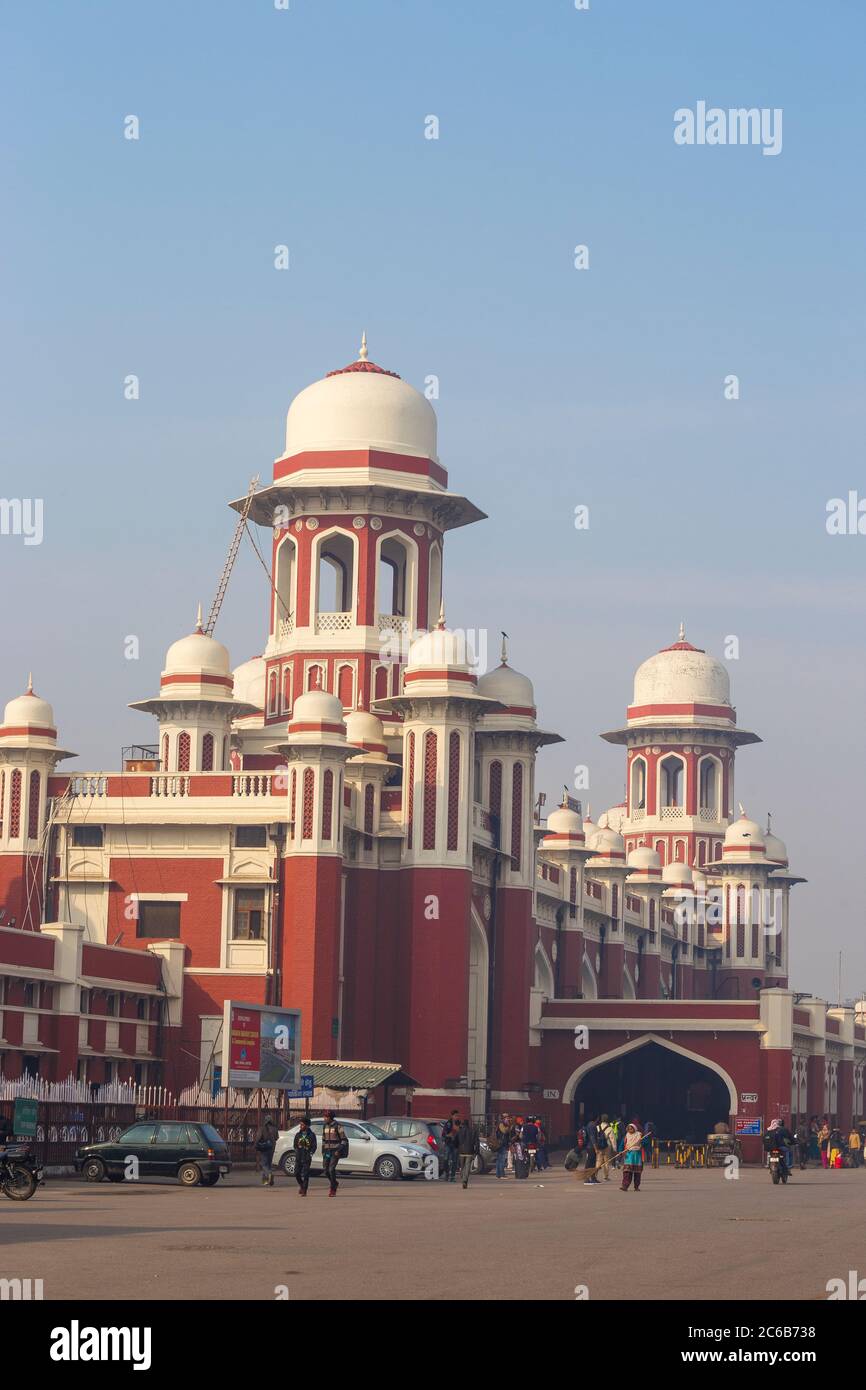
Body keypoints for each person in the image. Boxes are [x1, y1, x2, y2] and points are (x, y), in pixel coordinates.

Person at [321, 1110, 346, 1196]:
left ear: (330, 1117)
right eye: (324, 1116)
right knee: (325, 1170)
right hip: (327, 1151)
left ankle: (333, 1189)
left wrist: (338, 1150)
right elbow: (323, 1139)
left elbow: (344, 1140)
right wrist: (323, 1150)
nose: (324, 1118)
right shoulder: (325, 1126)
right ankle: (334, 1182)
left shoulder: (338, 1126)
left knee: (331, 1169)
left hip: (335, 1151)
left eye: (326, 1117)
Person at [293, 1115, 317, 1195]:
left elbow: (314, 1146)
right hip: (299, 1157)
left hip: (307, 1157)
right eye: (300, 1124)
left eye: (302, 1125)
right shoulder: (298, 1135)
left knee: (306, 1174)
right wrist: (297, 1152)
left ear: (307, 1125)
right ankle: (301, 1185)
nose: (300, 1126)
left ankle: (304, 1190)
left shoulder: (311, 1135)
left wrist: (310, 1153)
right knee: (297, 1173)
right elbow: (295, 1145)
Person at [255, 1113, 279, 1187]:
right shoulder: (275, 1128)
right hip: (272, 1148)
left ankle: (269, 1174)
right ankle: (265, 1181)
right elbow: (277, 1137)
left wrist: (256, 1145)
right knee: (268, 1163)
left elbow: (258, 1138)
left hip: (264, 1148)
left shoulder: (262, 1128)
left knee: (264, 1164)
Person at [620, 1122, 644, 1192]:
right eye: (628, 1129)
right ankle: (625, 1186)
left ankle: (636, 1186)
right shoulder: (626, 1135)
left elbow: (646, 1142)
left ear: (634, 1129)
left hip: (637, 1155)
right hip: (629, 1155)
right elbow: (622, 1144)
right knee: (627, 1172)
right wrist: (620, 1151)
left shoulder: (639, 1135)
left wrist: (641, 1142)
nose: (630, 1130)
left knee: (637, 1172)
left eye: (631, 1129)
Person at [457, 1117, 480, 1188]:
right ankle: (465, 1180)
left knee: (462, 1166)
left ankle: (462, 1175)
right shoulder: (473, 1131)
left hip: (461, 1151)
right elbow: (477, 1142)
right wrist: (476, 1151)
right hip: (470, 1151)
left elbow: (456, 1141)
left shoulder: (459, 1131)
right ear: (468, 1124)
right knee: (467, 1166)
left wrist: (457, 1148)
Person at [441, 1109, 461, 1183]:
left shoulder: (459, 1123)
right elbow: (444, 1134)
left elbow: (461, 1132)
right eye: (455, 1115)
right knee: (446, 1159)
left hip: (455, 1144)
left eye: (458, 1116)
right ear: (452, 1116)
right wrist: (448, 1135)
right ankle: (446, 1174)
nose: (457, 1117)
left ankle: (452, 1176)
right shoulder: (448, 1123)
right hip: (448, 1143)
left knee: (454, 1160)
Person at [492, 1113, 512, 1179]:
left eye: (508, 1118)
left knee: (499, 1160)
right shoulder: (501, 1124)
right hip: (501, 1144)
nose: (508, 1119)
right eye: (506, 1118)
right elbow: (504, 1131)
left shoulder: (503, 1124)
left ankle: (499, 1174)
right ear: (503, 1118)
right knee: (502, 1160)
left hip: (502, 1144)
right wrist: (508, 1126)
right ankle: (501, 1175)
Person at [583, 1115, 601, 1185]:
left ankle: (593, 1178)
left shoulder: (589, 1124)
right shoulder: (592, 1125)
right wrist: (596, 1148)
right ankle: (586, 1178)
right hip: (591, 1147)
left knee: (593, 1163)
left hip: (589, 1146)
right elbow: (592, 1137)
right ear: (596, 1118)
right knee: (589, 1163)